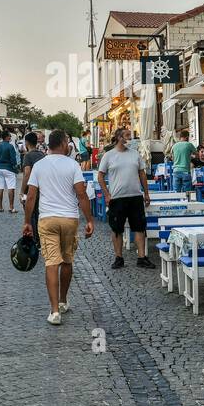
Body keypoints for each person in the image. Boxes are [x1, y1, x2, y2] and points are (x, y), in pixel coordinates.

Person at [22, 129, 95, 325]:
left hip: (47, 219)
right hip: (69, 218)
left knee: (51, 263)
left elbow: (31, 196)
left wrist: (27, 221)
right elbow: (81, 195)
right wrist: (89, 220)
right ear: (63, 144)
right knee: (67, 260)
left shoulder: (39, 165)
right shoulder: (73, 165)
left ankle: (54, 312)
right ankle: (63, 300)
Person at [97, 127, 153, 270]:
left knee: (139, 227)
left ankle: (141, 257)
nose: (130, 139)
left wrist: (146, 193)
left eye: (130, 136)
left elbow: (142, 174)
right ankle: (118, 257)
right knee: (117, 229)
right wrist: (107, 194)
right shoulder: (109, 156)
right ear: (119, 137)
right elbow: (100, 176)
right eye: (127, 136)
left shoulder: (135, 154)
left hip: (135, 196)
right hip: (117, 197)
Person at [20, 131, 47, 238]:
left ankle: (35, 238)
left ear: (26, 143)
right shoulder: (42, 155)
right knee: (39, 213)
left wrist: (22, 190)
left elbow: (27, 173)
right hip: (43, 188)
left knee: (30, 213)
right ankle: (41, 236)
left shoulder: (28, 156)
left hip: (31, 188)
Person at [0, 133, 20, 213]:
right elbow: (13, 159)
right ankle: (11, 207)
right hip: (9, 168)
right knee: (11, 187)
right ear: (7, 137)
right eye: (9, 136)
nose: (10, 137)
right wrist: (15, 167)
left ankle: (0, 207)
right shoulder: (10, 146)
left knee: (0, 187)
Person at [170, 129, 196, 194]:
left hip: (176, 171)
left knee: (176, 192)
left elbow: (172, 158)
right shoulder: (189, 145)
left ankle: (178, 203)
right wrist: (190, 157)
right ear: (187, 137)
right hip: (185, 171)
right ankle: (186, 203)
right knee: (187, 193)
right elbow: (197, 154)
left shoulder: (174, 146)